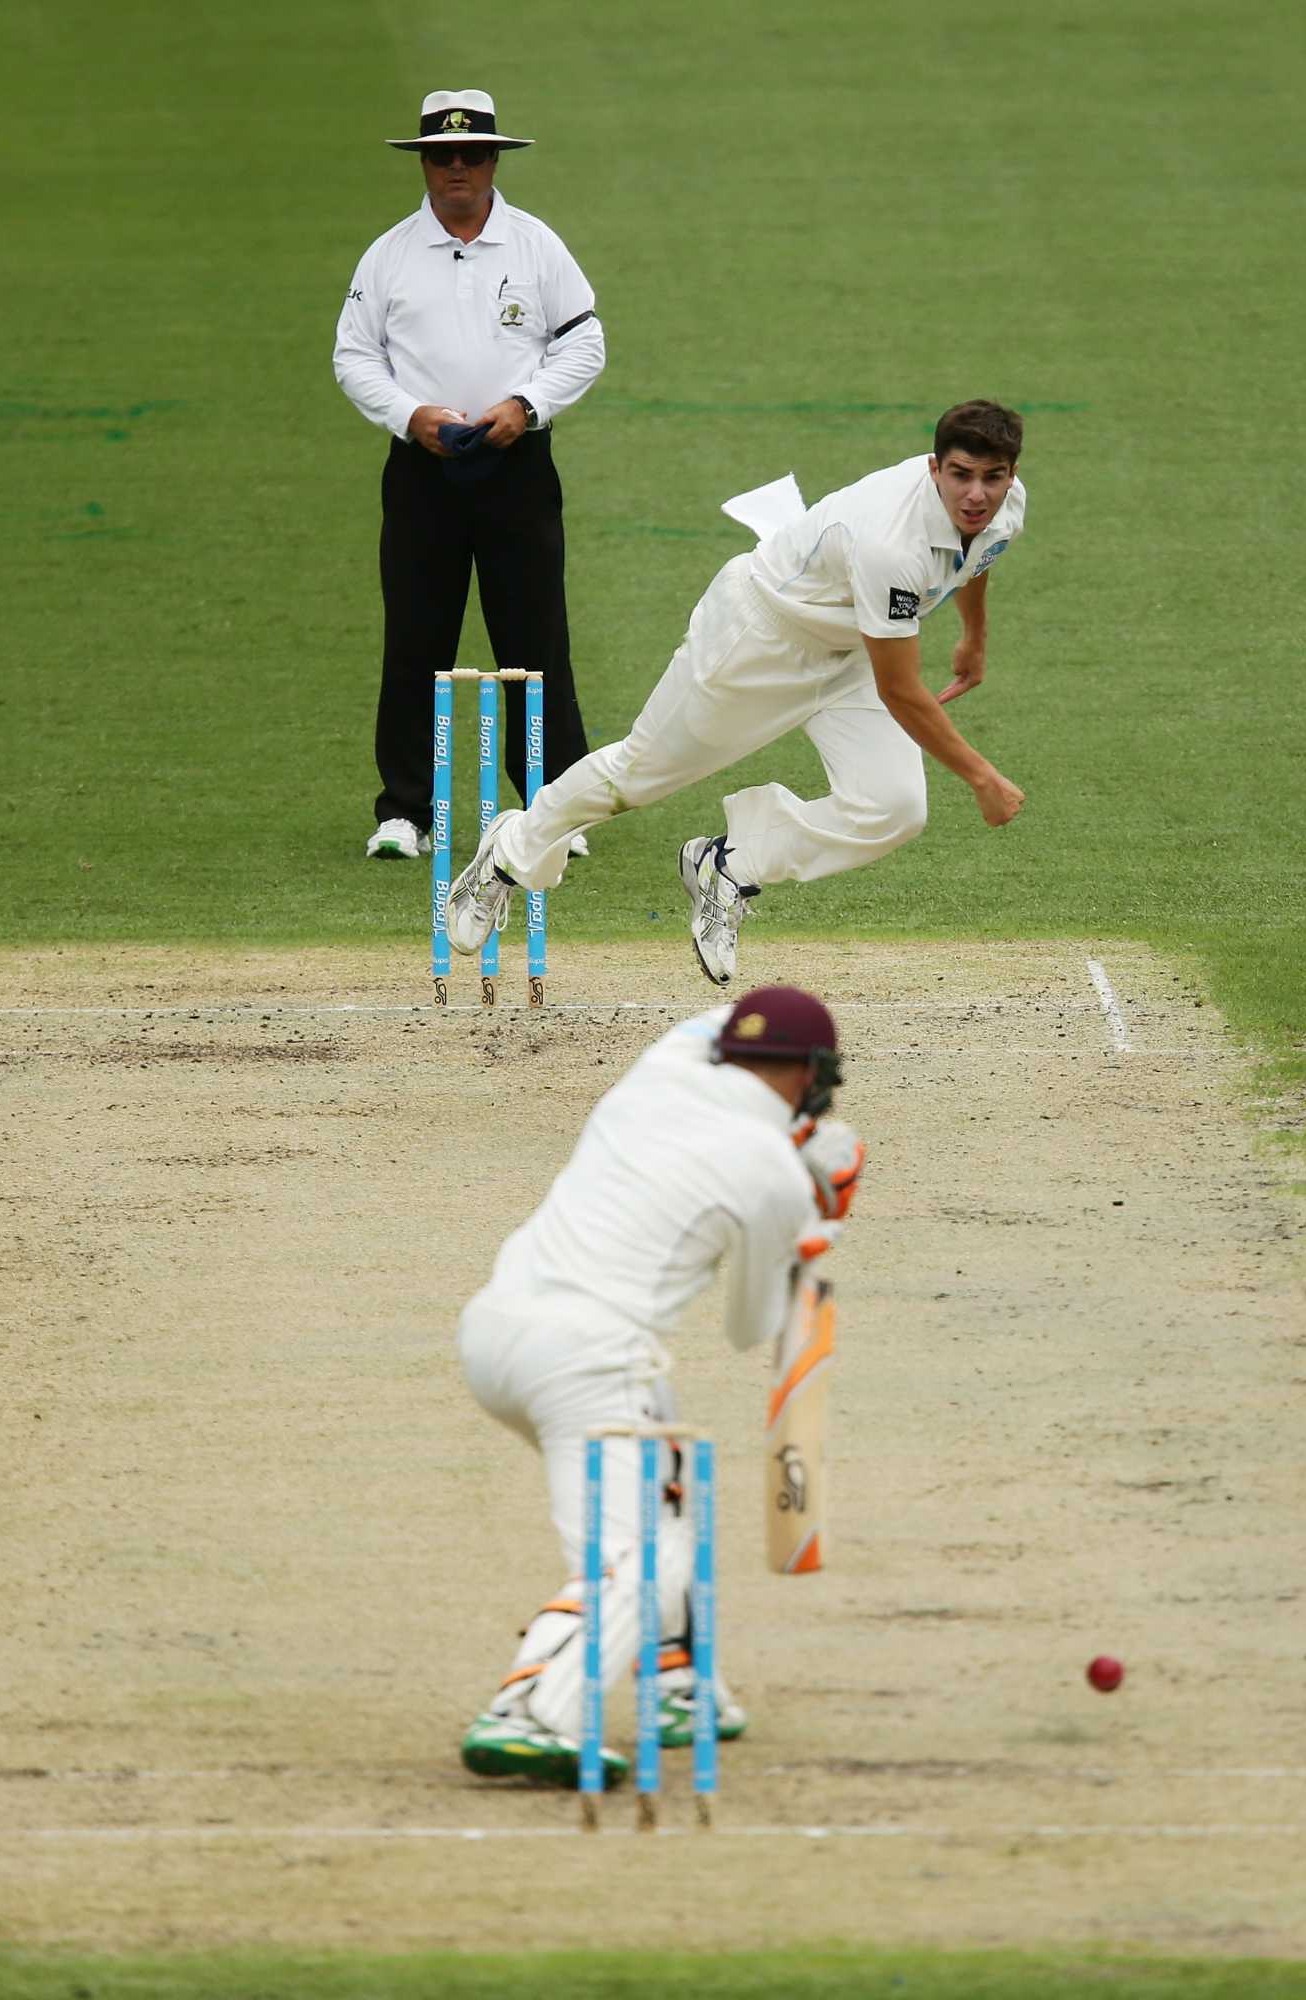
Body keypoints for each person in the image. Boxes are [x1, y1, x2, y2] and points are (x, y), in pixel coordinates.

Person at [445, 400, 1033, 985]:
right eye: (961, 475)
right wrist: (982, 777)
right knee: (639, 774)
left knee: (893, 808)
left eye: (993, 477)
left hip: (853, 647)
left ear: (1011, 473)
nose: (976, 494)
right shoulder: (891, 543)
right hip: (760, 637)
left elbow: (977, 555)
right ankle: (510, 850)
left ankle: (727, 865)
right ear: (934, 468)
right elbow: (901, 691)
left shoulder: (1004, 506)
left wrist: (973, 637)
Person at [455, 987, 863, 1784]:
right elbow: (750, 1327)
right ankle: (528, 1709)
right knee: (645, 1553)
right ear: (808, 1073)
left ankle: (679, 1683)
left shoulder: (666, 1063)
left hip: (493, 1330)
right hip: (589, 1361)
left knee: (669, 1489)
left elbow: (721, 1019)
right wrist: (816, 1221)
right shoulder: (772, 1174)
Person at [334, 88, 605, 864]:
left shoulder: (536, 246)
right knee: (416, 635)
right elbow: (354, 355)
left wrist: (527, 404)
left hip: (517, 465)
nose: (458, 167)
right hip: (424, 470)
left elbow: (584, 342)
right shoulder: (389, 255)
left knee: (536, 636)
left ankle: (554, 811)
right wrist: (410, 414)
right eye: (443, 156)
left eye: (472, 154)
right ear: (424, 164)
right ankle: (405, 813)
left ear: (493, 161)